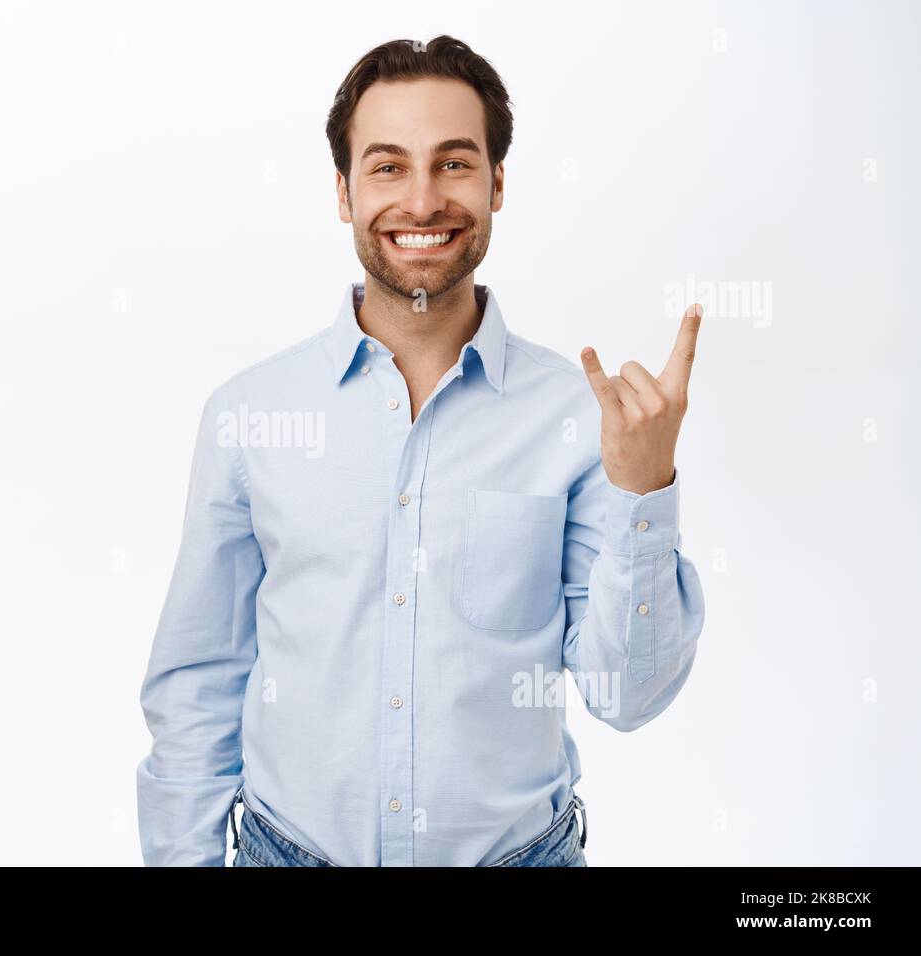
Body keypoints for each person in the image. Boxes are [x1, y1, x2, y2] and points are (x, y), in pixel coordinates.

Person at [136, 34, 706, 867]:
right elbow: (197, 684)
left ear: (498, 183)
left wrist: (643, 489)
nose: (423, 199)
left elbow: (628, 697)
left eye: (454, 163)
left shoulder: (581, 422)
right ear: (343, 191)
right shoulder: (249, 417)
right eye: (388, 166)